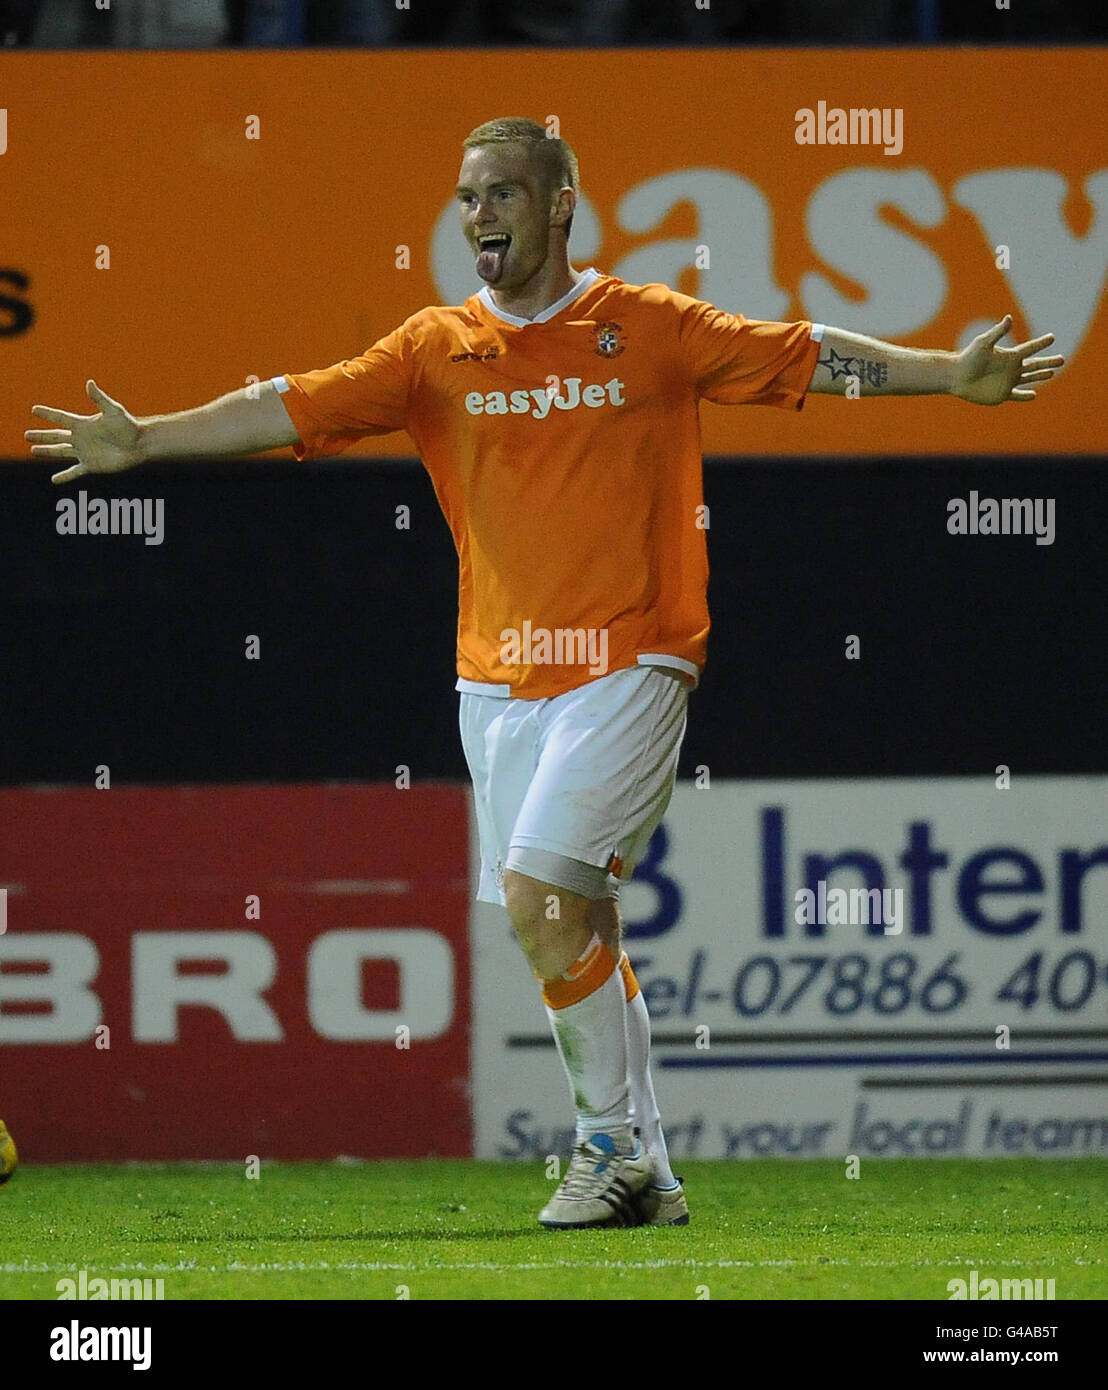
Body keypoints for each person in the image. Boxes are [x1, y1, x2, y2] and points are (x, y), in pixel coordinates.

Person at [26, 116, 1062, 1229]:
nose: (479, 215)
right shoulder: (434, 348)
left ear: (559, 205)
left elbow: (803, 353)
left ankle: (605, 1148)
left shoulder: (649, 327)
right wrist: (148, 442)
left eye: (503, 194)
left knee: (540, 896)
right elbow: (289, 405)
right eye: (467, 196)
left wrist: (950, 374)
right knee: (578, 927)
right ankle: (649, 1174)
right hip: (494, 686)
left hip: (630, 660)